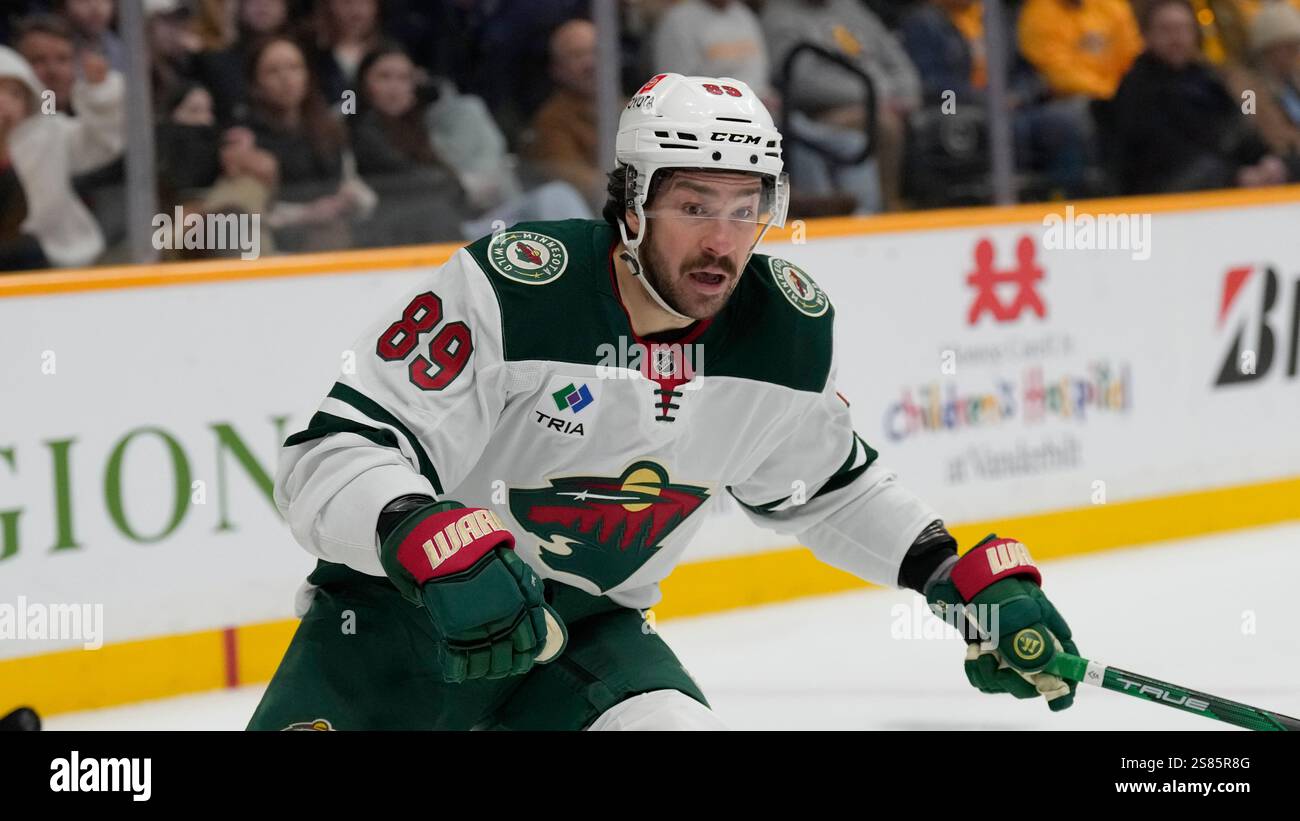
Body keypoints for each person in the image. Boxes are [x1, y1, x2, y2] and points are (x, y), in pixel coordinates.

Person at [248, 73, 1082, 731]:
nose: (723, 241)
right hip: (400, 626)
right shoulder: (516, 287)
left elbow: (827, 484)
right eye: (693, 206)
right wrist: (421, 532)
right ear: (632, 201)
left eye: (745, 209)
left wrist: (952, 576)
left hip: (588, 642)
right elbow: (332, 453)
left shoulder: (781, 328)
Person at [1110, 0, 1288, 192]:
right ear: (1147, 35)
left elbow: (1239, 127)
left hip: (1227, 178)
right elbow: (1164, 156)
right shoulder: (1137, 88)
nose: (1176, 38)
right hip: (1172, 192)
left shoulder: (1209, 78)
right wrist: (1235, 176)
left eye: (1184, 29)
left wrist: (1265, 159)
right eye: (1166, 30)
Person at [0, 44, 123, 271]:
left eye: (15, 93)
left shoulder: (49, 132)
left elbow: (102, 143)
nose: (4, 102)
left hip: (61, 257)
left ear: (29, 100)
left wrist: (100, 93)